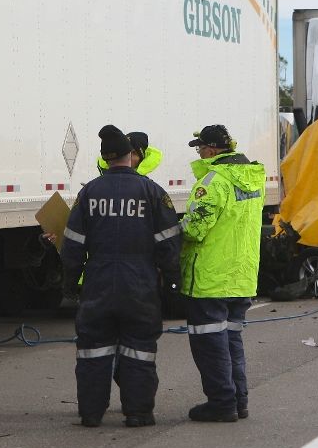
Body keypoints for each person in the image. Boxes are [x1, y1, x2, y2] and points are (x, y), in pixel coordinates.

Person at [60, 124, 181, 428]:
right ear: (131, 155)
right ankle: (138, 413)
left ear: (105, 158)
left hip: (98, 281)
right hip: (139, 283)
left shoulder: (89, 193)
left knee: (92, 350)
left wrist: (70, 284)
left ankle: (91, 413)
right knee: (139, 349)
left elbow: (73, 244)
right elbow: (168, 242)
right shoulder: (151, 191)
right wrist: (173, 281)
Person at [180, 124, 265, 422]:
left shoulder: (213, 181)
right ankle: (238, 401)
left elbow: (194, 228)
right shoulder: (253, 179)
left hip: (211, 279)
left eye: (200, 147)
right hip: (241, 277)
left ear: (213, 149)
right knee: (231, 342)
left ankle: (221, 403)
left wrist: (170, 229)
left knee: (210, 344)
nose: (199, 152)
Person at [96, 131, 162, 176]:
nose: (127, 156)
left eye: (134, 153)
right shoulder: (104, 163)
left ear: (141, 158)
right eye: (124, 151)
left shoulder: (149, 188)